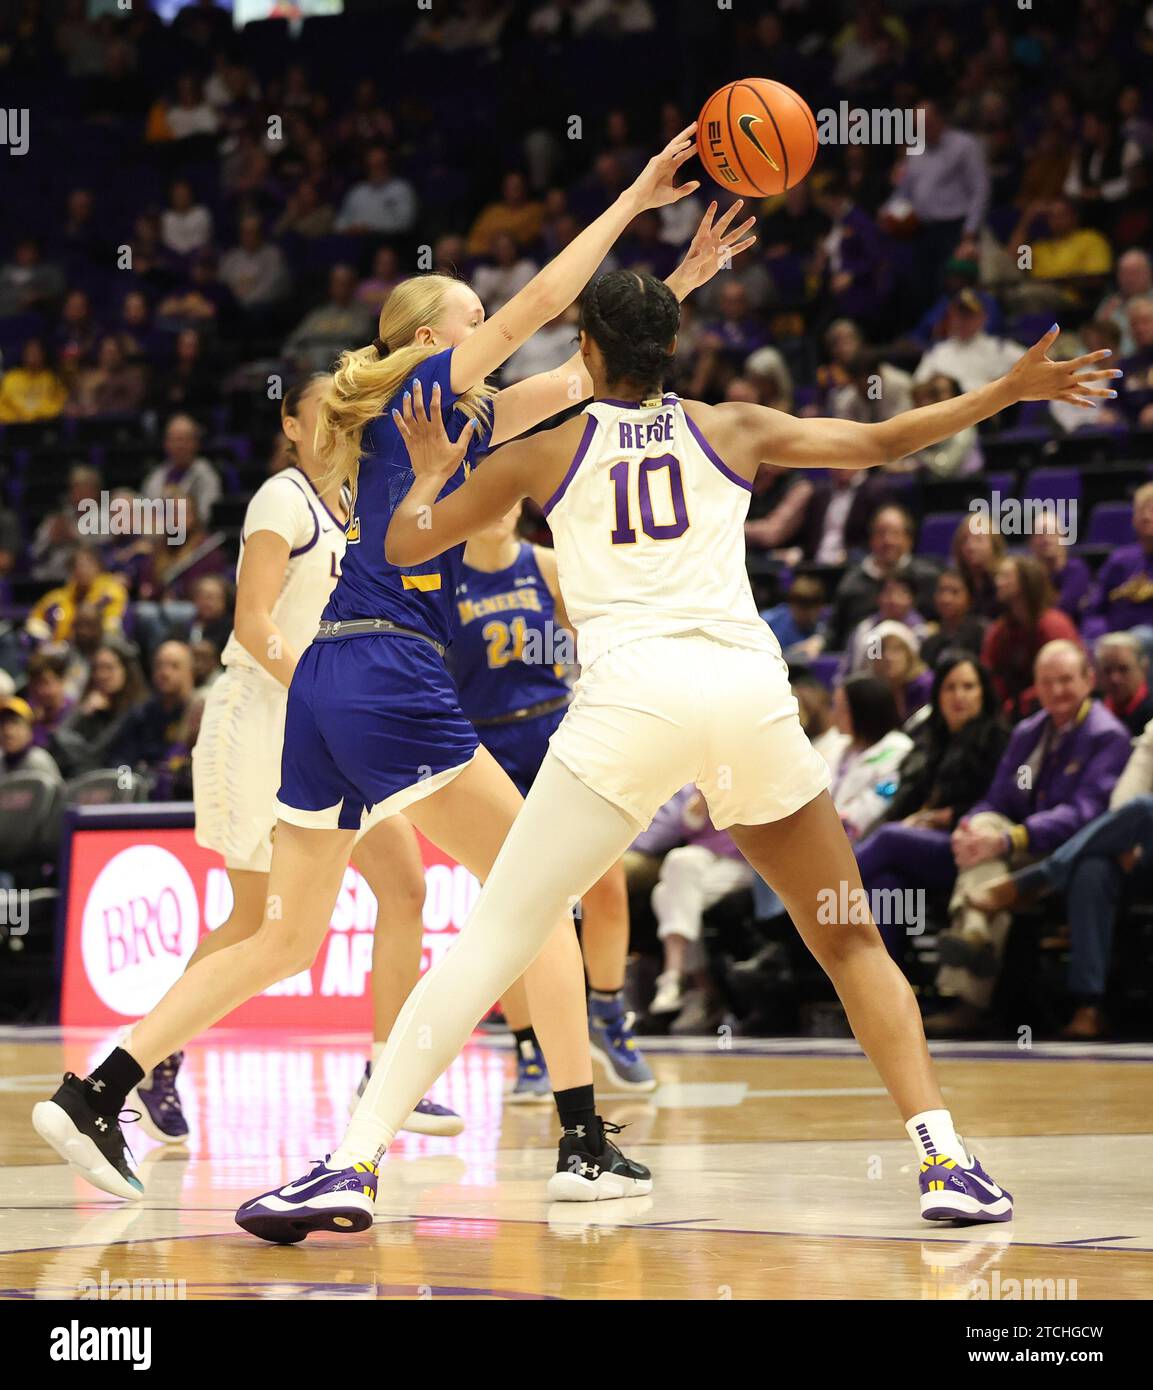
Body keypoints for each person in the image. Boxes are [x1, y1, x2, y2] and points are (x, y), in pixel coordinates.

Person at [236, 274, 1113, 1241]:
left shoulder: (546, 448)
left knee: (501, 932)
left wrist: (438, 467)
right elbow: (878, 442)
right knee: (850, 938)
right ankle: (945, 1161)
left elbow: (405, 545)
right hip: (745, 695)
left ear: (590, 352)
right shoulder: (731, 426)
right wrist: (1002, 394)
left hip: (630, 703)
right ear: (674, 348)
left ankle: (352, 1164)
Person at [33, 129, 756, 1214]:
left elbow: (582, 373)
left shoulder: (453, 415)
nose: (488, 330)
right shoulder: (429, 372)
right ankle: (579, 1141)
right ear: (429, 335)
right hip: (386, 664)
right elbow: (542, 308)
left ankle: (100, 1088)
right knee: (540, 888)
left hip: (329, 678)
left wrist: (676, 286)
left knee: (287, 934)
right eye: (473, 318)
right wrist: (633, 200)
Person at [446, 504, 654, 1093]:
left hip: (555, 732)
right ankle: (528, 1046)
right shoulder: (444, 574)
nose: (499, 510)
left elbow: (605, 640)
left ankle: (610, 1013)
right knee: (514, 905)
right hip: (486, 746)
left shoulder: (548, 566)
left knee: (606, 886)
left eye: (512, 497)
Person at [924, 641, 1131, 1037]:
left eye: (1067, 680)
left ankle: (972, 975)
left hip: (1072, 849)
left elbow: (1083, 814)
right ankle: (976, 931)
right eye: (1048, 682)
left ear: (1089, 680)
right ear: (1035, 686)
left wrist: (1011, 838)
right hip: (1021, 846)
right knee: (982, 827)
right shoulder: (1028, 731)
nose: (1057, 691)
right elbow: (996, 798)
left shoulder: (1108, 736)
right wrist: (969, 830)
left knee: (1020, 852)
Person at [854, 653, 1007, 953]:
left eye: (968, 687)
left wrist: (939, 817)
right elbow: (902, 799)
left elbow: (1000, 803)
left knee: (887, 838)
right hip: (919, 845)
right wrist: (916, 819)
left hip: (965, 845)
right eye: (950, 687)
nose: (959, 696)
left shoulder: (998, 738)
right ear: (938, 694)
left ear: (983, 693)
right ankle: (882, 991)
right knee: (886, 887)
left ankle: (818, 892)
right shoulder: (929, 739)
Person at [637, 786, 752, 1020]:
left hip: (746, 859)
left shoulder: (756, 766)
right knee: (680, 861)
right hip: (705, 857)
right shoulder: (704, 772)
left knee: (665, 894)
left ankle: (688, 982)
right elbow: (689, 825)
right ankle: (694, 984)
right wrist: (701, 799)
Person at [981, 555, 1082, 720]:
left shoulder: (1054, 626)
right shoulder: (1000, 630)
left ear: (1025, 581)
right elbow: (990, 672)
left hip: (1051, 704)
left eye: (1005, 576)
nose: (997, 582)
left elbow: (1065, 677)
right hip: (1013, 707)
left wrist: (1019, 703)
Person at [1095, 632, 1153, 735]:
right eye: (1107, 670)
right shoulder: (1094, 711)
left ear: (1144, 668)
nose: (1114, 679)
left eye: (1123, 669)